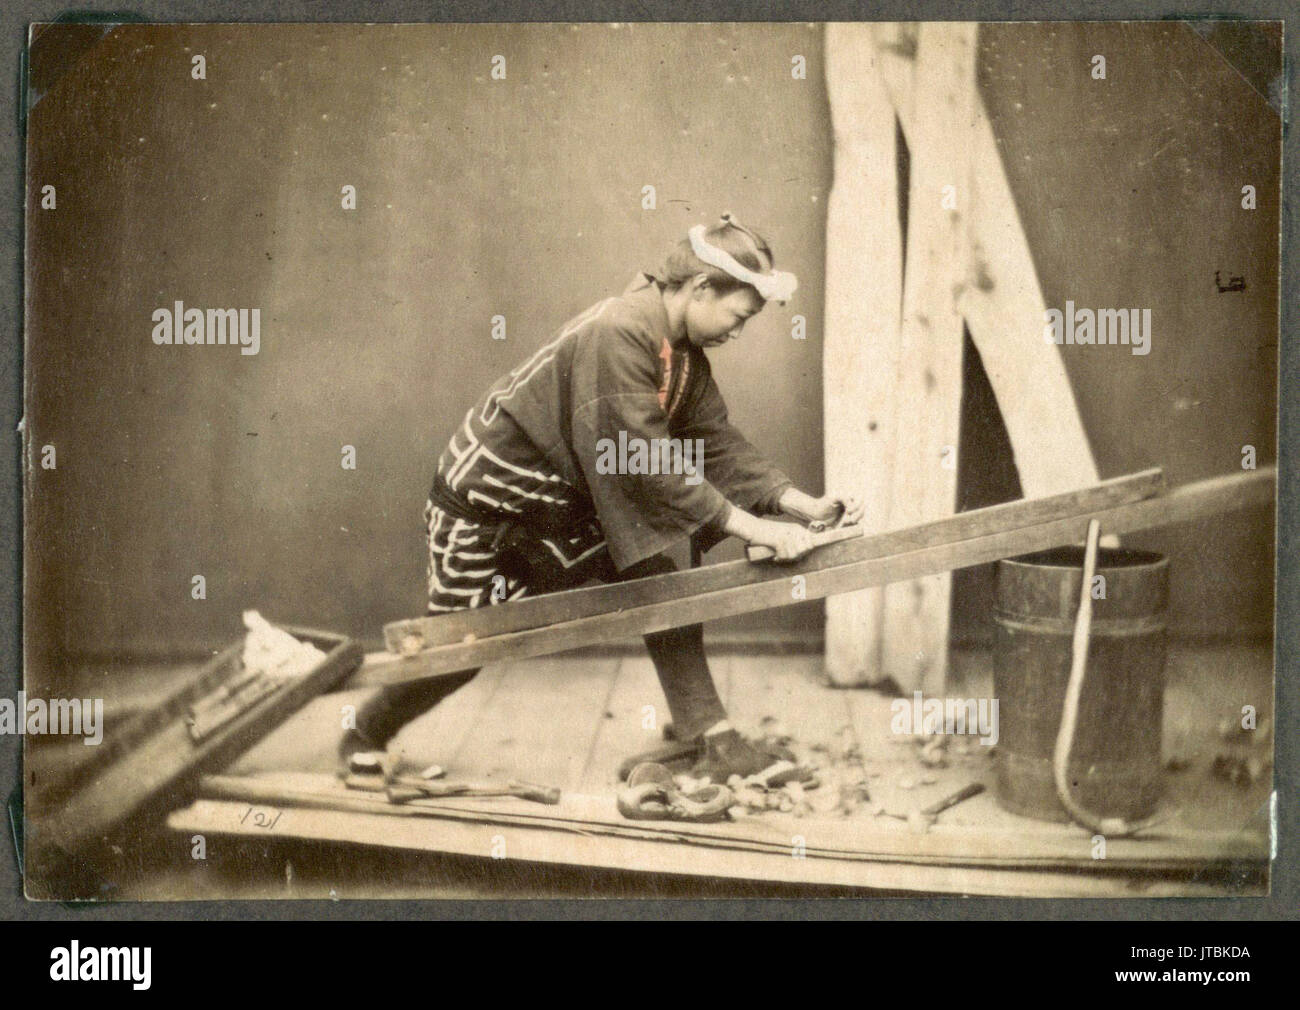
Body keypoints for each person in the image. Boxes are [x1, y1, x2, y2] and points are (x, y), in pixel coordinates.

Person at [341, 214, 863, 782]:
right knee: (457, 650)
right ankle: (362, 732)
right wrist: (756, 529)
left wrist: (797, 504)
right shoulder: (621, 331)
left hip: (551, 506)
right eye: (738, 318)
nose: (738, 333)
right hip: (490, 512)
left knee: (659, 578)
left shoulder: (680, 351)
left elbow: (714, 441)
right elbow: (645, 458)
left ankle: (707, 734)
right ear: (700, 288)